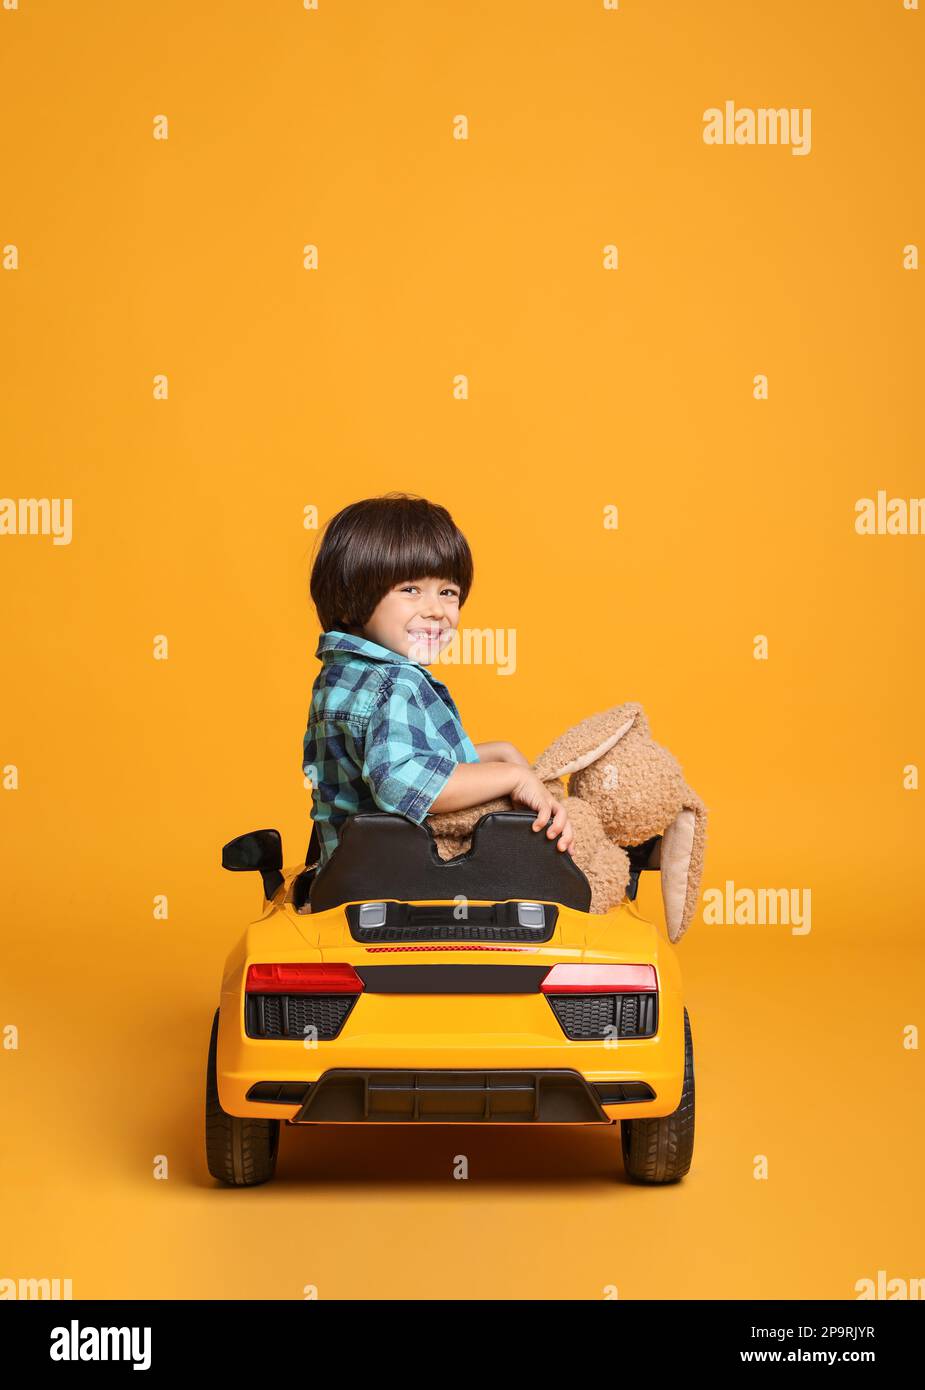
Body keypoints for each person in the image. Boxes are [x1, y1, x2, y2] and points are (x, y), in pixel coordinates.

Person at [302, 493, 574, 865]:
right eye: (410, 590)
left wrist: (494, 755)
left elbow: (396, 756)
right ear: (352, 598)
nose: (436, 611)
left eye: (448, 592)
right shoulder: (393, 682)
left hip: (348, 872)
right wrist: (511, 777)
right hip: (398, 881)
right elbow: (400, 784)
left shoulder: (345, 674)